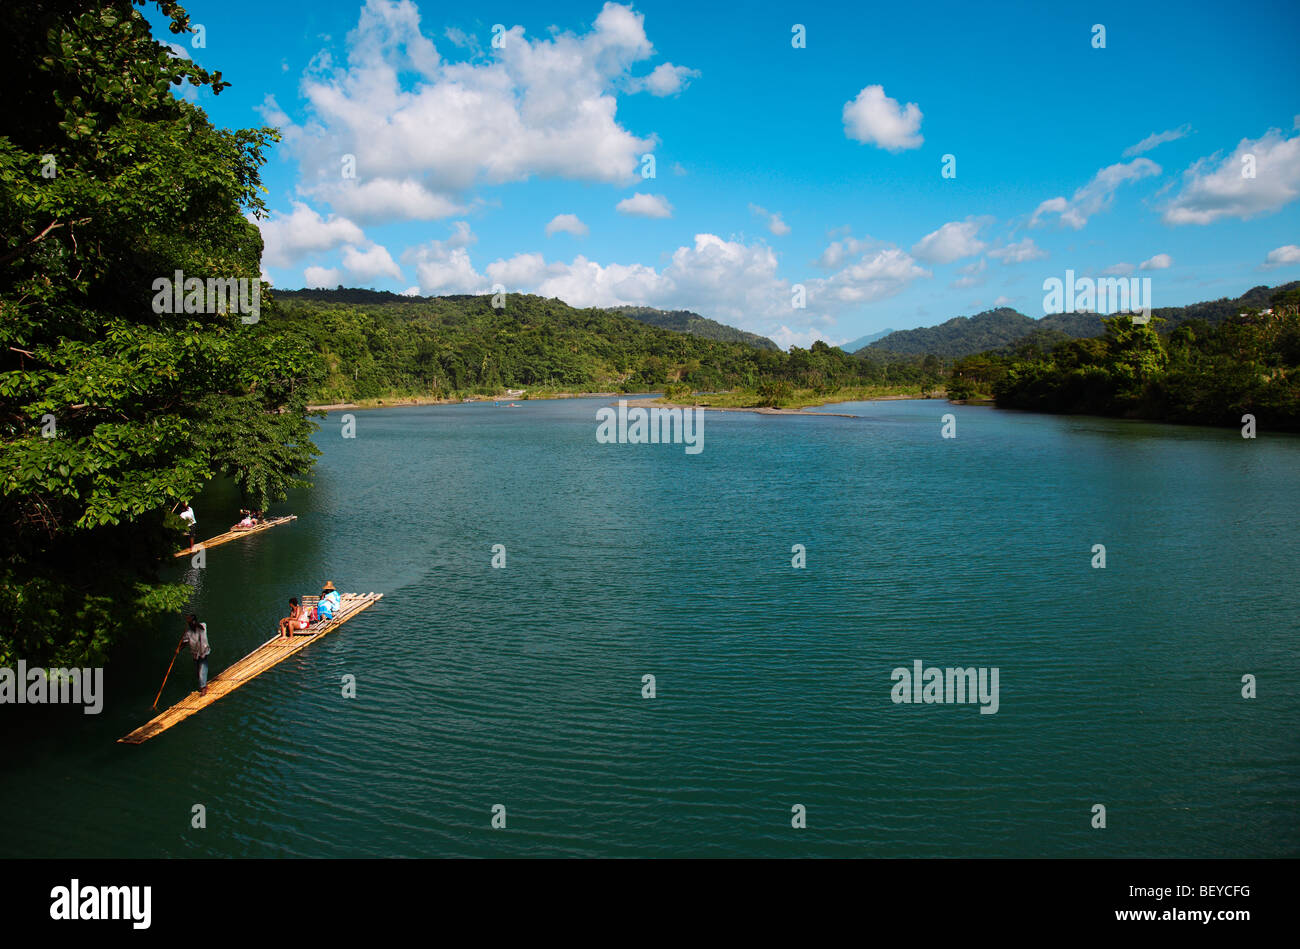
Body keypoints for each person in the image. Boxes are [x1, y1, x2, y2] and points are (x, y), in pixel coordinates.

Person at [181, 614, 211, 696]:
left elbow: (200, 626)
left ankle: (203, 688)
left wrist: (194, 623)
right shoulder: (188, 633)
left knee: (202, 669)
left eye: (192, 623)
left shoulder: (202, 627)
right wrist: (179, 649)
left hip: (203, 652)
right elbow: (185, 642)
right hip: (195, 654)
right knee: (198, 671)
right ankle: (203, 685)